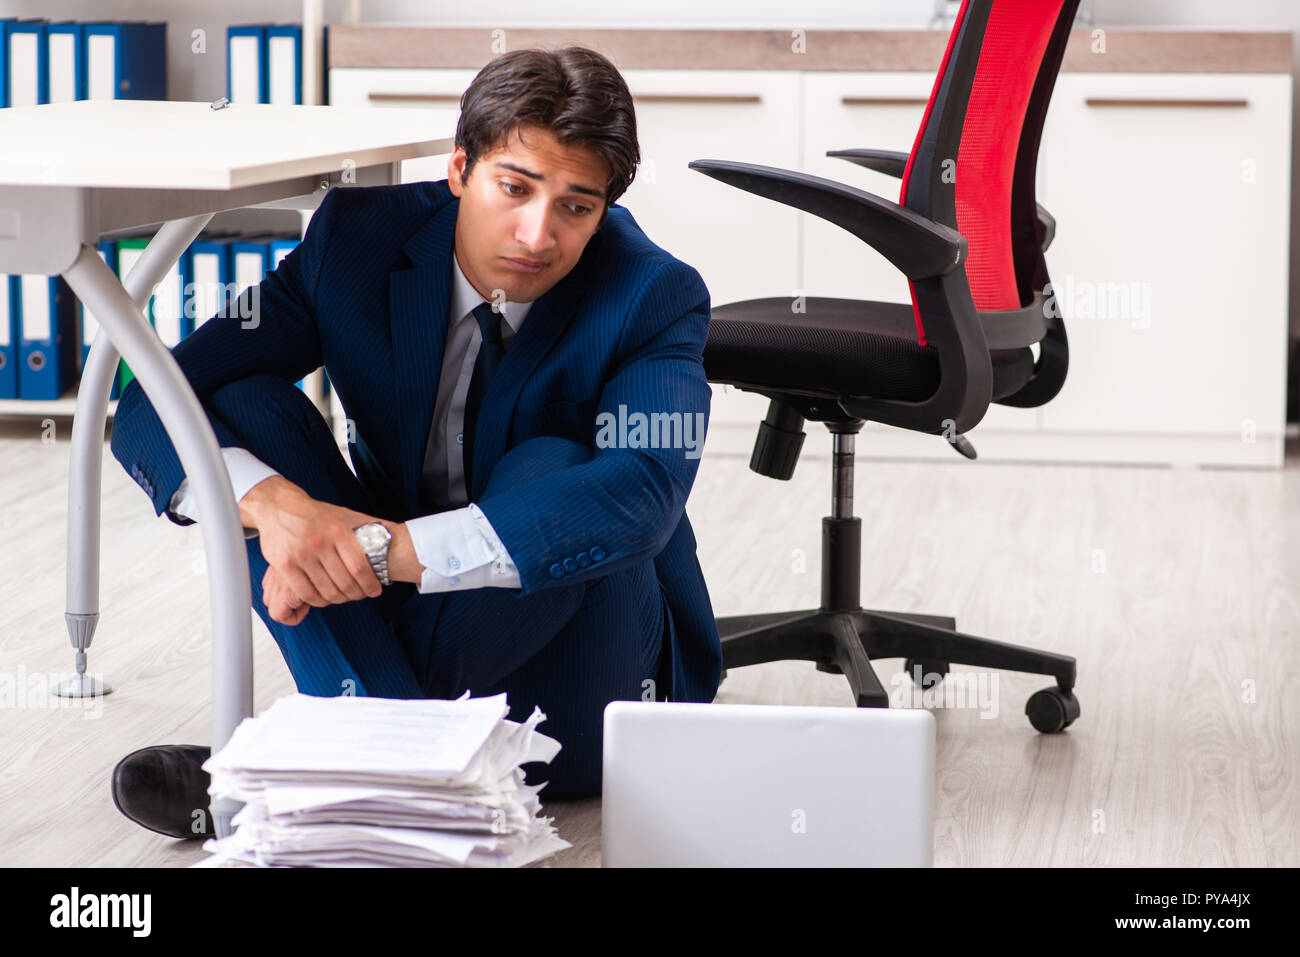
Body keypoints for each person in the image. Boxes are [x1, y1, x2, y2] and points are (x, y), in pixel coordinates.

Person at [107, 46, 722, 839]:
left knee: (557, 465)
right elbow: (156, 398)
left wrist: (374, 550)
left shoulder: (652, 292)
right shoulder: (355, 246)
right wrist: (280, 512)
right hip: (403, 614)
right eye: (515, 187)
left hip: (587, 667)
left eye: (577, 206)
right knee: (245, 407)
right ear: (459, 167)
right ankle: (387, 773)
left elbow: (641, 491)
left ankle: (310, 772)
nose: (538, 234)